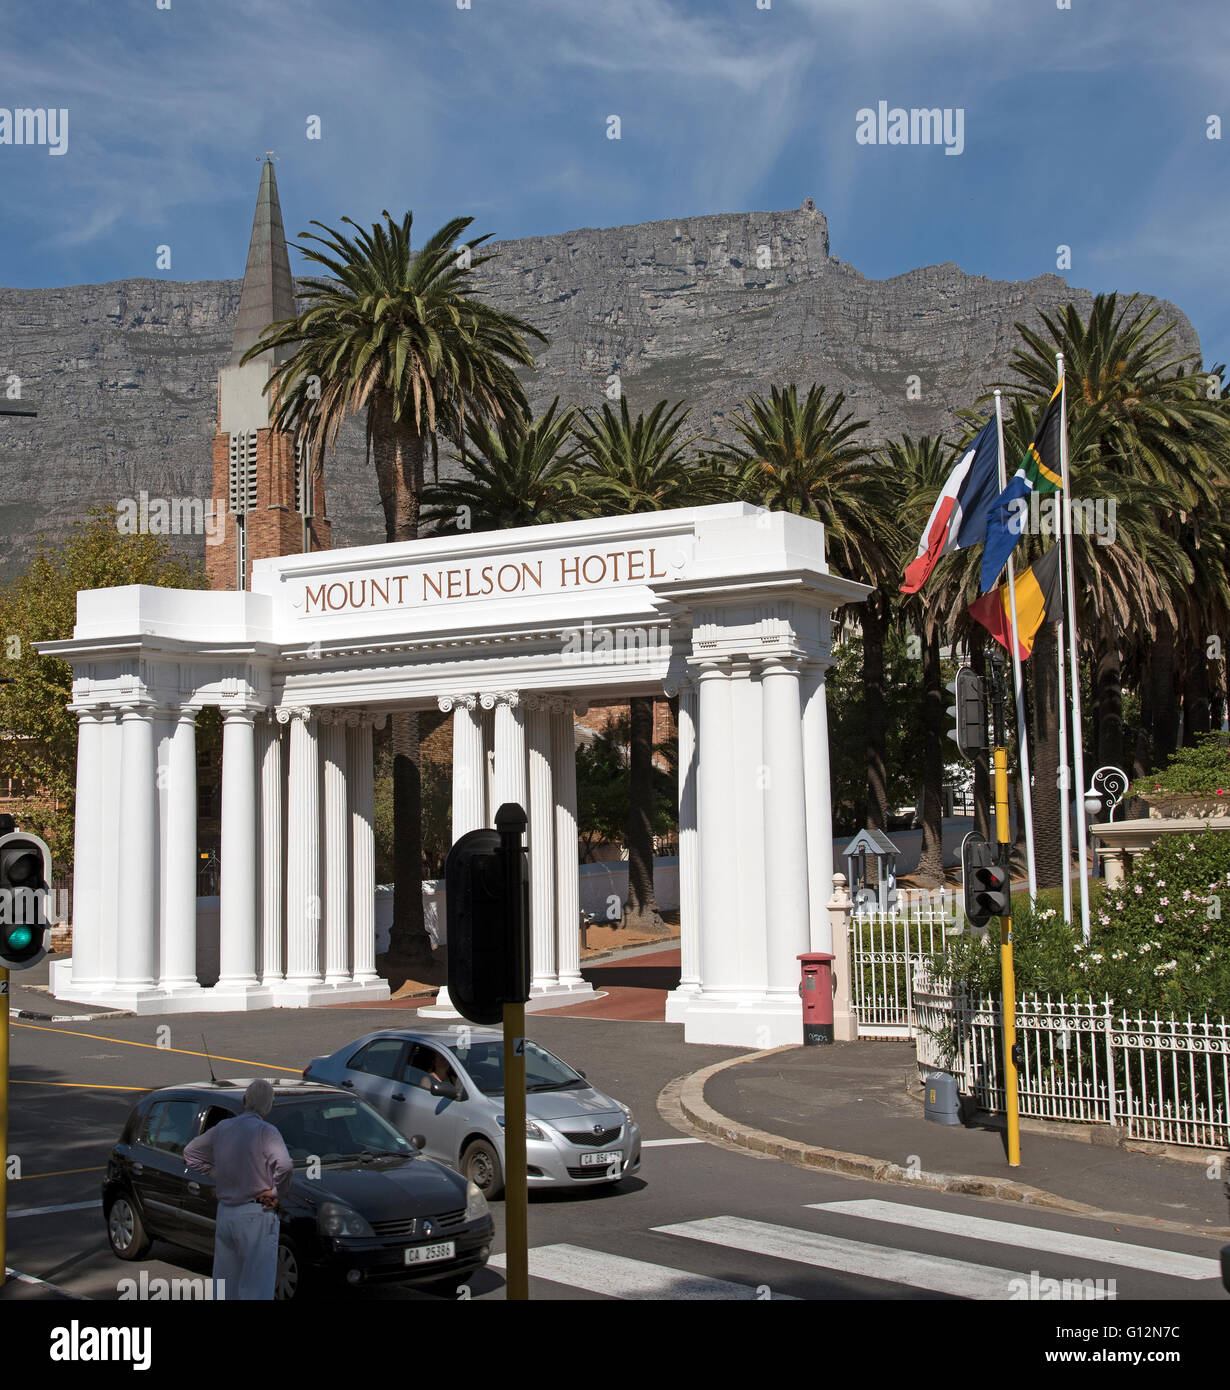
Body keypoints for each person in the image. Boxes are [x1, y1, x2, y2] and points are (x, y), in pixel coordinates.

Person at [184, 1079, 292, 1300]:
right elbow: (285, 1165)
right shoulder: (267, 1131)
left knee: (225, 1286)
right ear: (269, 1106)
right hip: (256, 1213)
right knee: (256, 1286)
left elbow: (190, 1153)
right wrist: (276, 1193)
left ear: (244, 1100)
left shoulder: (223, 1128)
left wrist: (218, 1175)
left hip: (226, 1213)